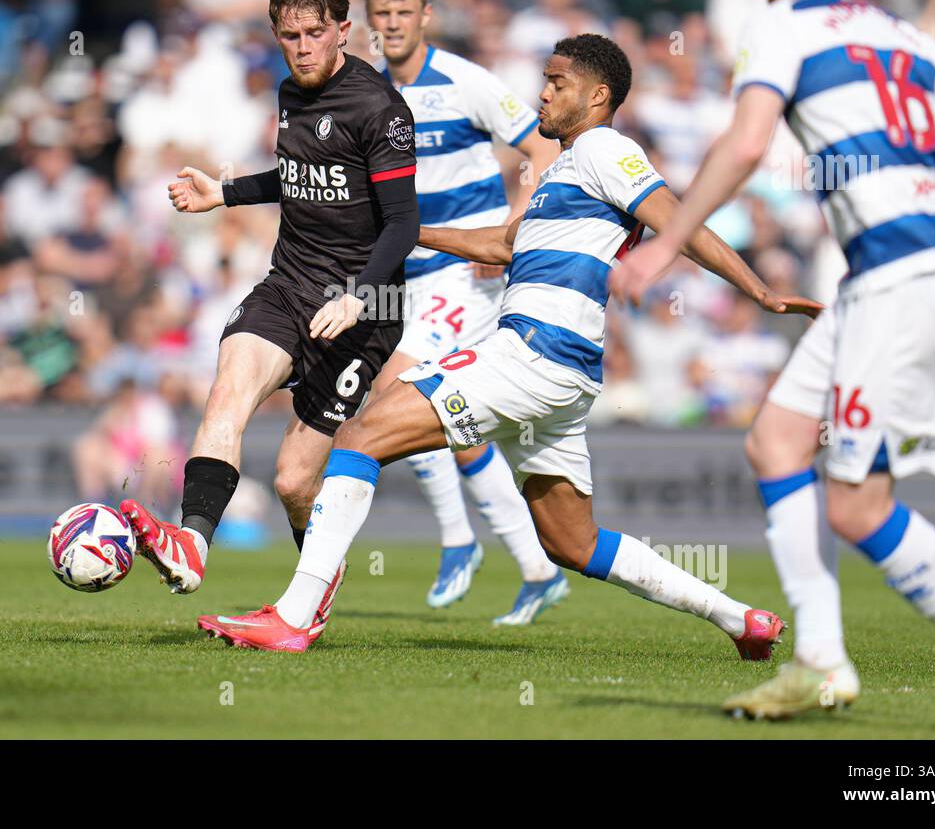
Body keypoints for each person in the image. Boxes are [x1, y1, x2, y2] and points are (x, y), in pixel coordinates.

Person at [195, 33, 820, 655]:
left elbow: (677, 219)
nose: (541, 94)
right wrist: (404, 230)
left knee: (359, 438)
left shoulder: (606, 149)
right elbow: (498, 245)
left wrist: (759, 291)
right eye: (543, 80)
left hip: (534, 352)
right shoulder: (566, 170)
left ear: (599, 96)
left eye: (557, 83)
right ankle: (741, 620)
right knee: (572, 544)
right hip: (564, 374)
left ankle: (296, 617)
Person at [610, 0, 935, 733]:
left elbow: (748, 142)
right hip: (899, 273)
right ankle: (821, 662)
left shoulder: (780, 29)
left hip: (902, 279)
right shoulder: (908, 36)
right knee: (773, 442)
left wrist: (665, 245)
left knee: (855, 506)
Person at [122, 0, 419, 646]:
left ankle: (317, 573)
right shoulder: (291, 92)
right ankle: (192, 542)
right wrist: (225, 193)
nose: (304, 47)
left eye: (317, 33)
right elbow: (301, 175)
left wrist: (358, 294)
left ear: (344, 30)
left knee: (292, 482)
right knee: (229, 384)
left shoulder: (381, 109)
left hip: (362, 309)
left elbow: (402, 224)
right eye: (291, 35)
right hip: (289, 283)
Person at [365, 0, 568, 624]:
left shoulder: (464, 81)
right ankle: (538, 569)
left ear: (425, 16)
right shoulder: (366, 89)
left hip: (465, 271)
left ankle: (458, 542)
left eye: (403, 13)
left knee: (396, 391)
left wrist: (514, 224)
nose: (393, 25)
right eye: (382, 14)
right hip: (402, 277)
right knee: (454, 419)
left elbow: (545, 148)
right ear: (370, 21)